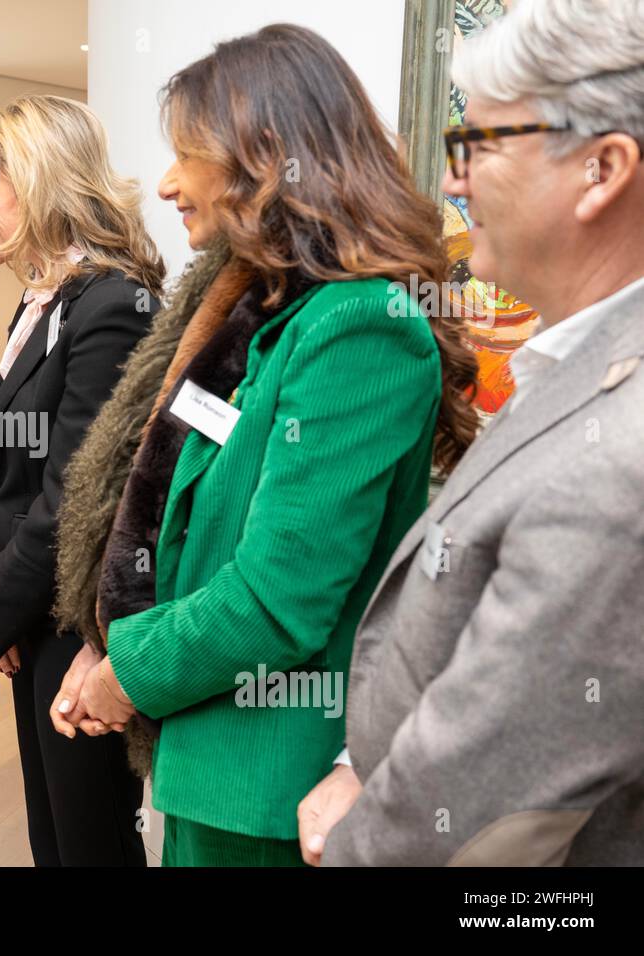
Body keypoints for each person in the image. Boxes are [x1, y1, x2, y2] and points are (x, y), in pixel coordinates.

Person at [49, 24, 478, 867]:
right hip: (212, 760)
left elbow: (277, 598)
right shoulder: (265, 311)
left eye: (186, 154)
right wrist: (108, 646)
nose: (168, 183)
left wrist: (126, 676)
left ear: (264, 155)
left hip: (275, 789)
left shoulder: (360, 327)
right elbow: (181, 515)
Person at [304, 0, 644, 867]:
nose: (452, 182)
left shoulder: (623, 461)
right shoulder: (576, 360)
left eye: (478, 148)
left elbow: (487, 798)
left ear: (601, 169)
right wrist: (358, 762)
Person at [0, 94, 162, 866]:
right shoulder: (43, 304)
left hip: (77, 625)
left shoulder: (110, 308)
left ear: (39, 183)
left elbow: (76, 498)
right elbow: (1, 473)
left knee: (91, 841)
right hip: (31, 614)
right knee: (53, 836)